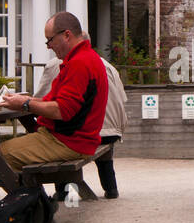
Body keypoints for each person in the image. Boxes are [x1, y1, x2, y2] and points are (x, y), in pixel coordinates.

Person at [0, 12, 109, 173]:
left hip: (68, 141)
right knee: (1, 152)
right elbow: (56, 102)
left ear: (67, 35)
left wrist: (25, 104)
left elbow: (61, 110)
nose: (48, 46)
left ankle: (27, 196)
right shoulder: (86, 58)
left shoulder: (79, 64)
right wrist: (24, 100)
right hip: (76, 139)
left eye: (50, 39)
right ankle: (30, 194)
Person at [35, 36, 128, 199]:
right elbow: (122, 97)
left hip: (87, 130)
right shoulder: (107, 66)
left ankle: (64, 191)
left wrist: (27, 103)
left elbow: (43, 97)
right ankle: (111, 188)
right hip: (112, 129)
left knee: (63, 133)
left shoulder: (61, 65)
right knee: (101, 149)